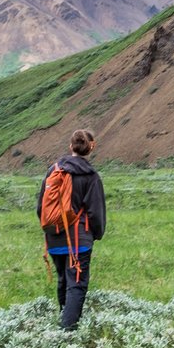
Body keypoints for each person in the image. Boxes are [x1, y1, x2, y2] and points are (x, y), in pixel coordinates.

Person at [36, 129, 107, 331]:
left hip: (54, 239)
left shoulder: (54, 170)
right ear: (91, 147)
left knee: (63, 281)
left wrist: (52, 229)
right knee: (76, 285)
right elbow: (96, 212)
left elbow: (41, 207)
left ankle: (64, 320)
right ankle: (67, 334)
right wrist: (96, 234)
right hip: (78, 240)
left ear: (71, 146)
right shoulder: (91, 176)